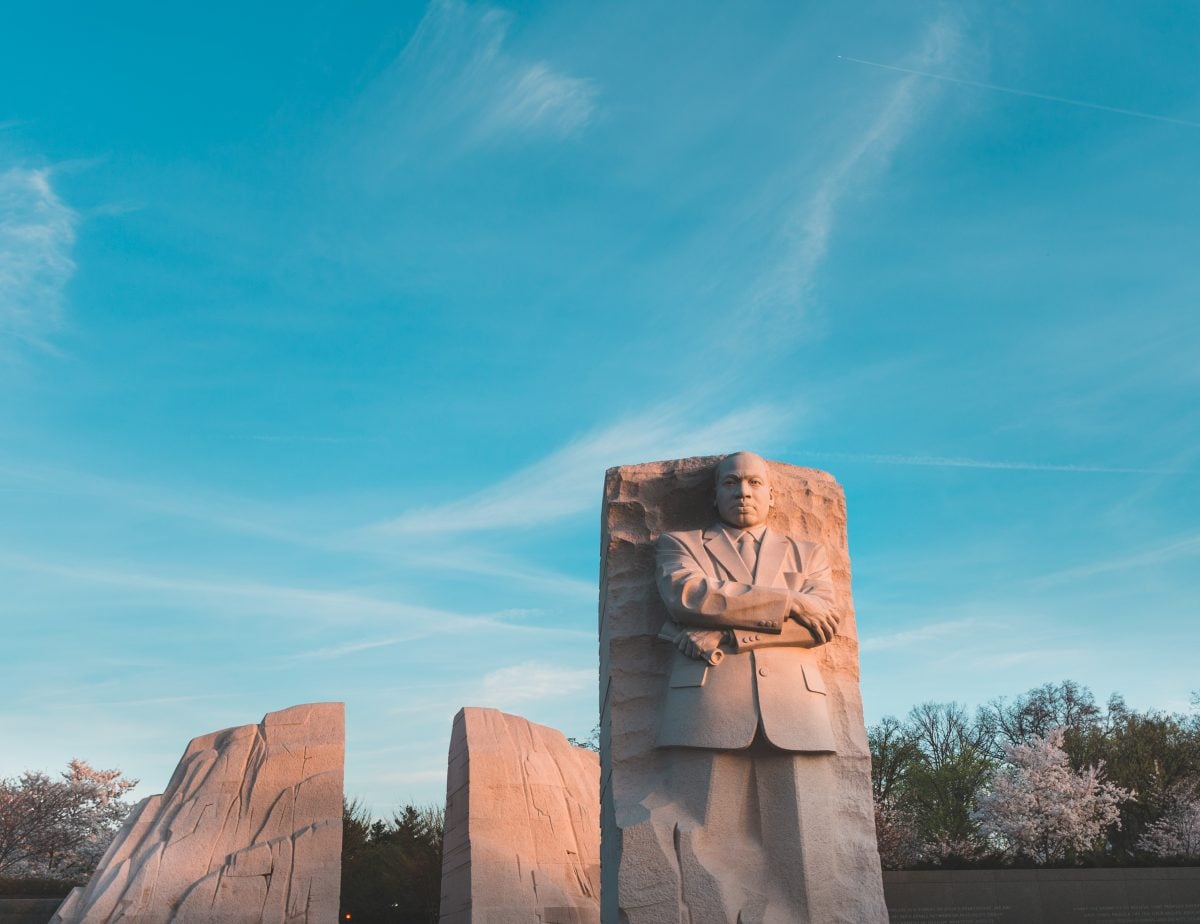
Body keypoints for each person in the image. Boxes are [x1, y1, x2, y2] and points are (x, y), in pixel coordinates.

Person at [650, 451, 848, 923]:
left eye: (755, 483)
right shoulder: (681, 544)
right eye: (732, 483)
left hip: (795, 707)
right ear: (714, 493)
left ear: (772, 494)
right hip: (708, 703)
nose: (743, 492)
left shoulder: (808, 554)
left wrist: (729, 634)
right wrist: (790, 600)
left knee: (808, 847)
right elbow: (689, 597)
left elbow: (822, 627)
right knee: (703, 840)